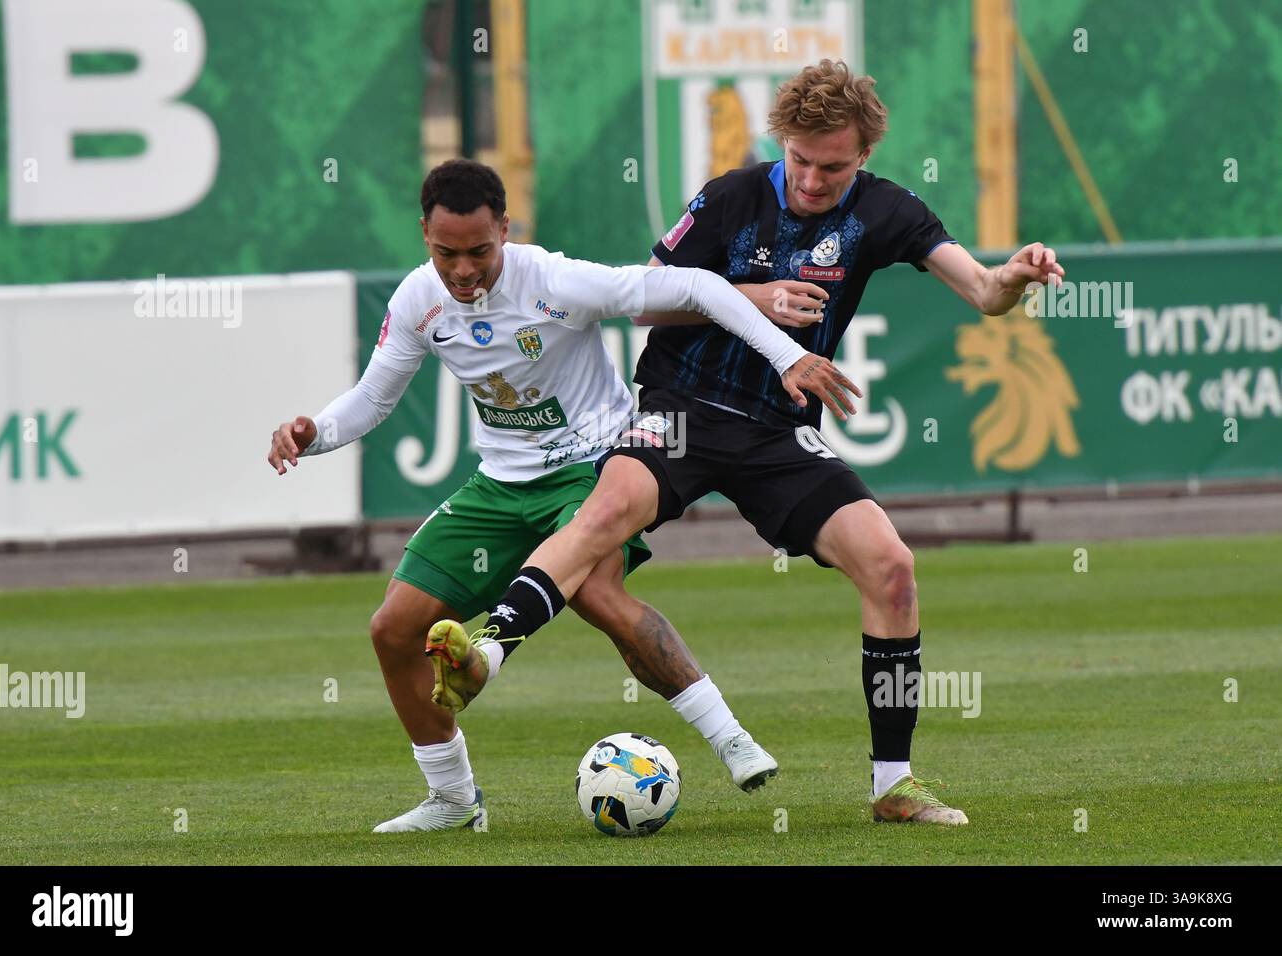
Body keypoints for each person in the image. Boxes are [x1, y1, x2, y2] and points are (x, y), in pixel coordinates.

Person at [426, 61, 1066, 826]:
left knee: (892, 568)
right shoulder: (730, 197)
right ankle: (486, 654)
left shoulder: (889, 212)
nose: (812, 180)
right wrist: (751, 298)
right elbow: (648, 308)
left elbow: (983, 292)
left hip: (779, 430)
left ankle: (892, 783)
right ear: (782, 142)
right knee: (605, 511)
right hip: (683, 408)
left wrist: (1015, 277)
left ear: (864, 155)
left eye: (833, 166)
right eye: (799, 159)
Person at [266, 158, 856, 832]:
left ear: (505, 231)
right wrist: (312, 433)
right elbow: (372, 399)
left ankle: (731, 739)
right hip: (500, 482)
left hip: (593, 467)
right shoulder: (415, 301)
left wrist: (787, 357)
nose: (461, 270)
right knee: (392, 630)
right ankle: (455, 802)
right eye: (444, 252)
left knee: (597, 595)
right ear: (425, 235)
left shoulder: (554, 281)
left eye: (479, 252)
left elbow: (692, 286)